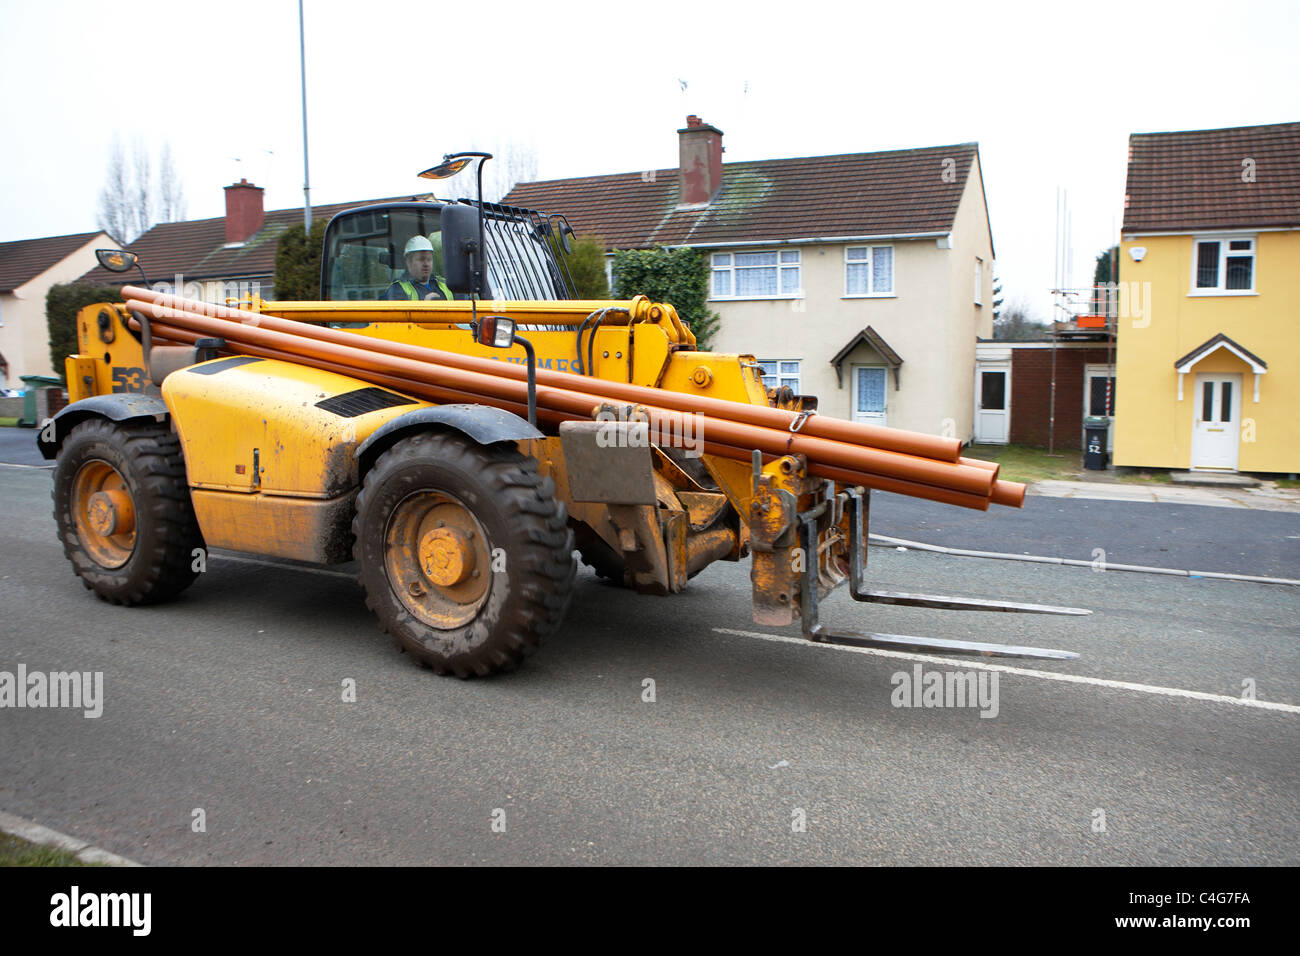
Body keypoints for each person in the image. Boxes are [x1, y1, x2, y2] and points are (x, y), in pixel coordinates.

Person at [383, 235, 454, 301]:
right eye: (421, 259)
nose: (426, 264)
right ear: (408, 262)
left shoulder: (446, 285)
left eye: (429, 259)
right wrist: (423, 307)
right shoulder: (396, 291)